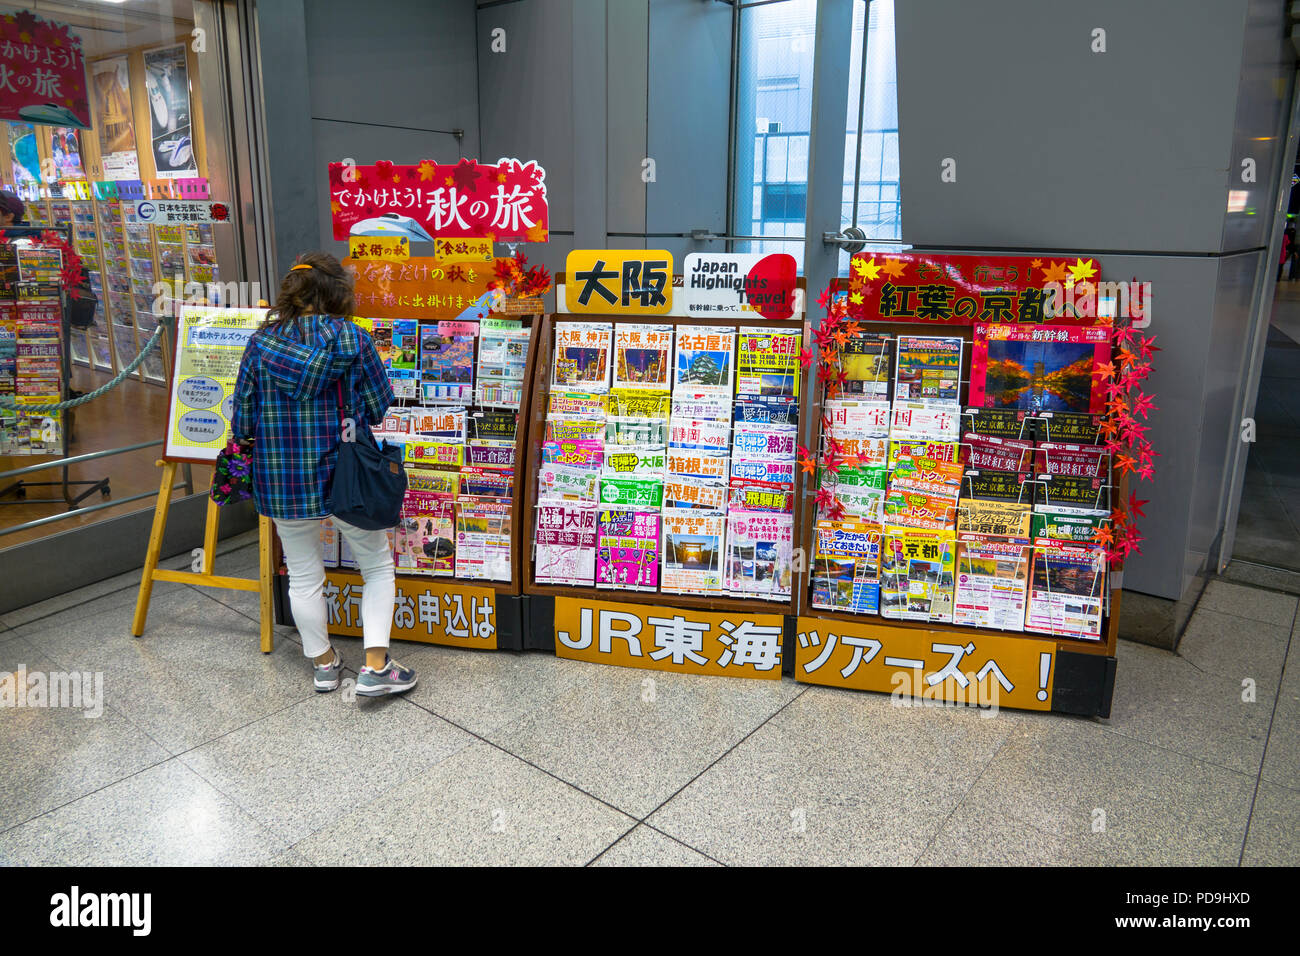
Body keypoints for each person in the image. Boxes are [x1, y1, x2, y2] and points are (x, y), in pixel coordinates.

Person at [231, 252, 416, 697]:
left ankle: (324, 665)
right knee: (375, 565)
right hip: (346, 472)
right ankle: (375, 666)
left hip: (281, 475)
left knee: (302, 572)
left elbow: (242, 422)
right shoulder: (353, 339)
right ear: (338, 293)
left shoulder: (260, 344)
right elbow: (376, 407)